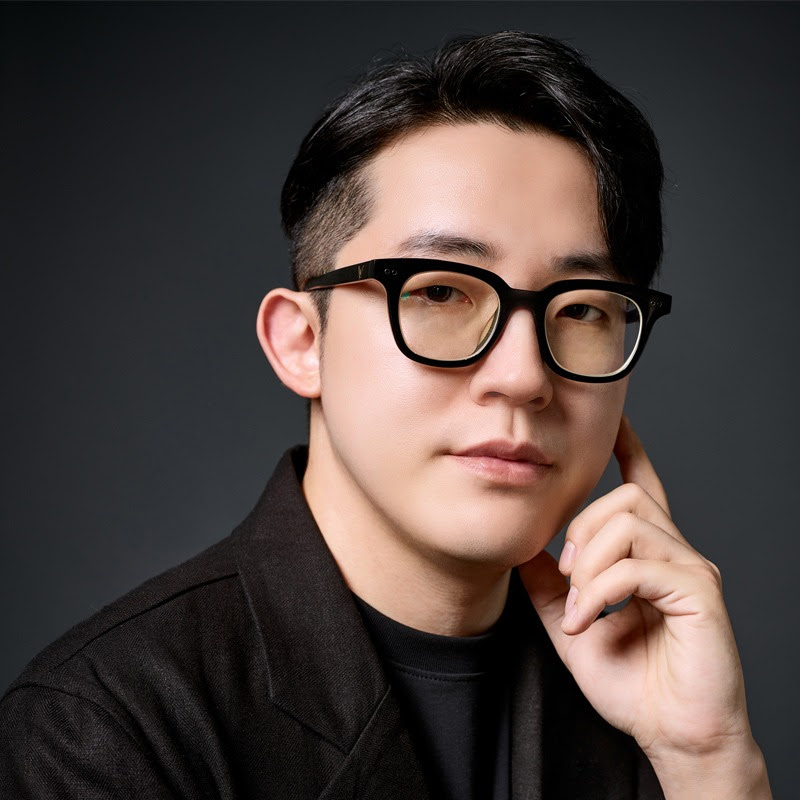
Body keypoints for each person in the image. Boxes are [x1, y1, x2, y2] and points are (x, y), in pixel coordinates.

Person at [0, 30, 771, 799]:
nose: (523, 376)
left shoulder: (649, 700)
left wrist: (707, 761)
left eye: (581, 309)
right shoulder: (105, 729)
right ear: (303, 342)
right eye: (440, 291)